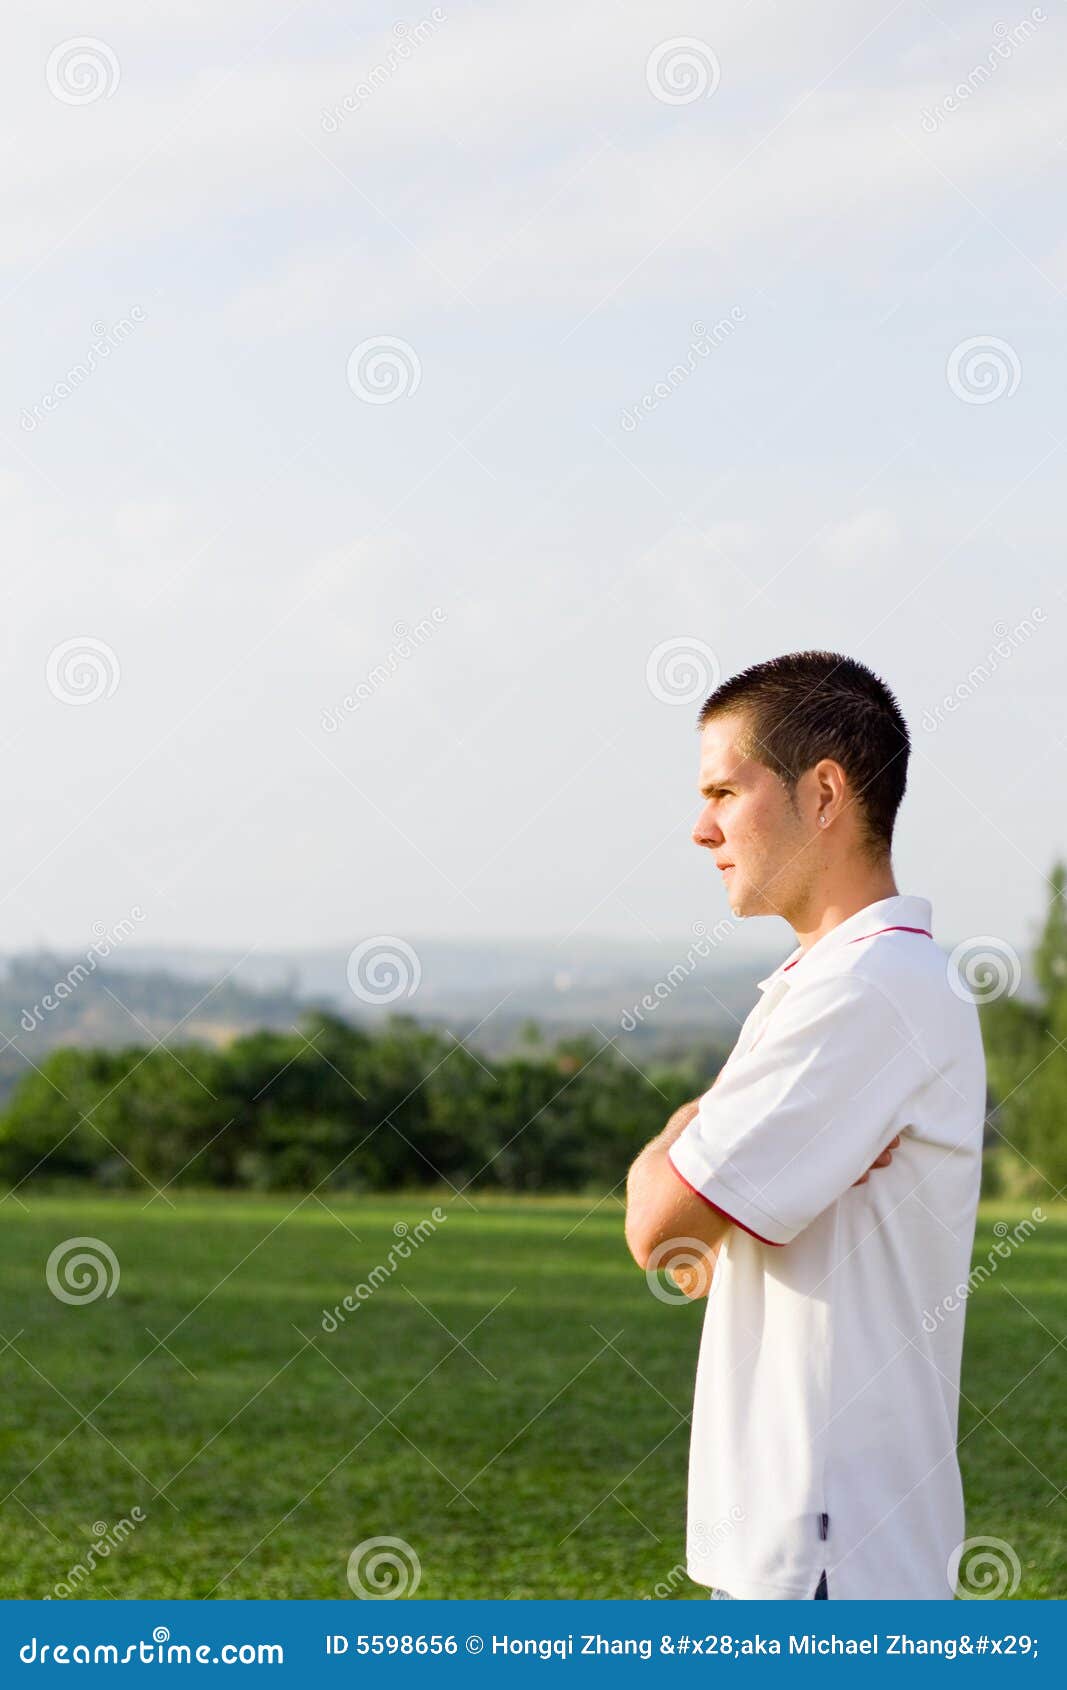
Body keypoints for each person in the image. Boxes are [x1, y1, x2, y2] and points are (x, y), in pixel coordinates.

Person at [624, 651, 986, 1600]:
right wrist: (699, 1144)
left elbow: (659, 1225)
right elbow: (690, 1264)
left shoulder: (870, 988)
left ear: (822, 792)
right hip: (810, 1546)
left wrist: (680, 1135)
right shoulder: (836, 982)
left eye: (722, 791)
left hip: (831, 1559)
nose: (700, 830)